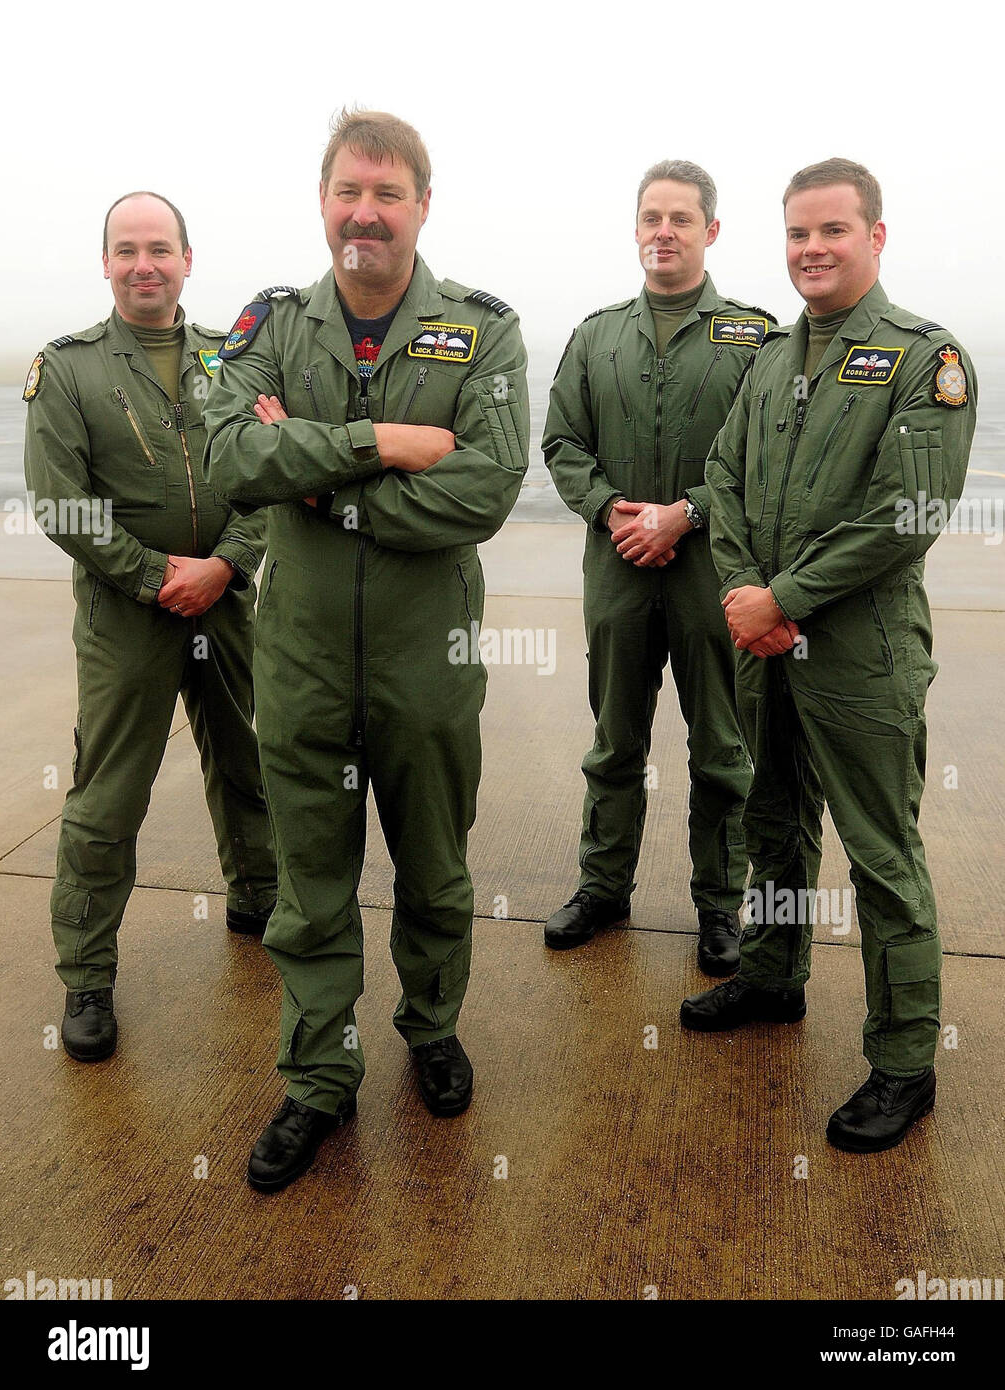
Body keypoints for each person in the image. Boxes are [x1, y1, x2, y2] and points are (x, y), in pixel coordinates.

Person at [203, 109, 529, 1192]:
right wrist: (374, 446)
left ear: (421, 205)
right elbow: (220, 454)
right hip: (297, 661)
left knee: (435, 869)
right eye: (349, 190)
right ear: (324, 199)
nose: (366, 213)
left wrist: (309, 480)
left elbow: (484, 485)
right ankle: (317, 1077)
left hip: (423, 663)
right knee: (309, 887)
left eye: (388, 194)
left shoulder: (481, 328)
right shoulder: (268, 321)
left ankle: (430, 1026)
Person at [680, 158, 978, 1153]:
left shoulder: (921, 358)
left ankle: (902, 1061)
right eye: (798, 233)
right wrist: (742, 598)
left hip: (858, 655)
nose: (811, 249)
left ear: (874, 237)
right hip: (761, 646)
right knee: (771, 823)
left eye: (832, 232)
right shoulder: (770, 358)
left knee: (880, 856)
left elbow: (907, 513)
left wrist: (785, 599)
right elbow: (720, 475)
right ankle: (770, 974)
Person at [23, 191, 277, 1063]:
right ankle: (86, 975)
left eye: (159, 249)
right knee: (109, 793)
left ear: (187, 259)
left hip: (229, 600)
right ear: (104, 263)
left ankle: (258, 899)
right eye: (126, 250)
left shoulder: (230, 363)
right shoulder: (67, 369)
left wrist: (226, 564)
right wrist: (150, 576)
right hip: (126, 614)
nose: (144, 265)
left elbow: (266, 477)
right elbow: (59, 499)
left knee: (248, 758)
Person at [542, 161, 774, 973]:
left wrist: (686, 513)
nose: (663, 232)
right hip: (616, 570)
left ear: (710, 230)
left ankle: (719, 907)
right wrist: (612, 509)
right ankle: (602, 889)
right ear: (635, 229)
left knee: (720, 749)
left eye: (681, 218)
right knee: (613, 743)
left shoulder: (755, 334)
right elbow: (561, 443)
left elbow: (760, 454)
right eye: (651, 217)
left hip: (716, 574)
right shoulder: (594, 334)